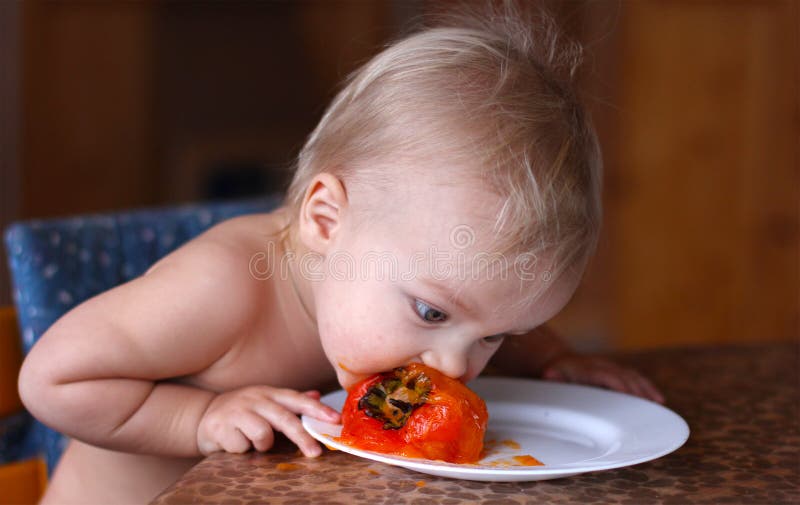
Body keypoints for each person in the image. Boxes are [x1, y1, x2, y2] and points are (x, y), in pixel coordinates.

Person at [18, 3, 662, 503]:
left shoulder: (419, 303)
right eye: (433, 314)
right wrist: (201, 418)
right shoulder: (227, 288)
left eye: (497, 336)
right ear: (326, 221)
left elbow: (479, 311)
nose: (457, 365)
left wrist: (557, 358)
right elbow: (54, 378)